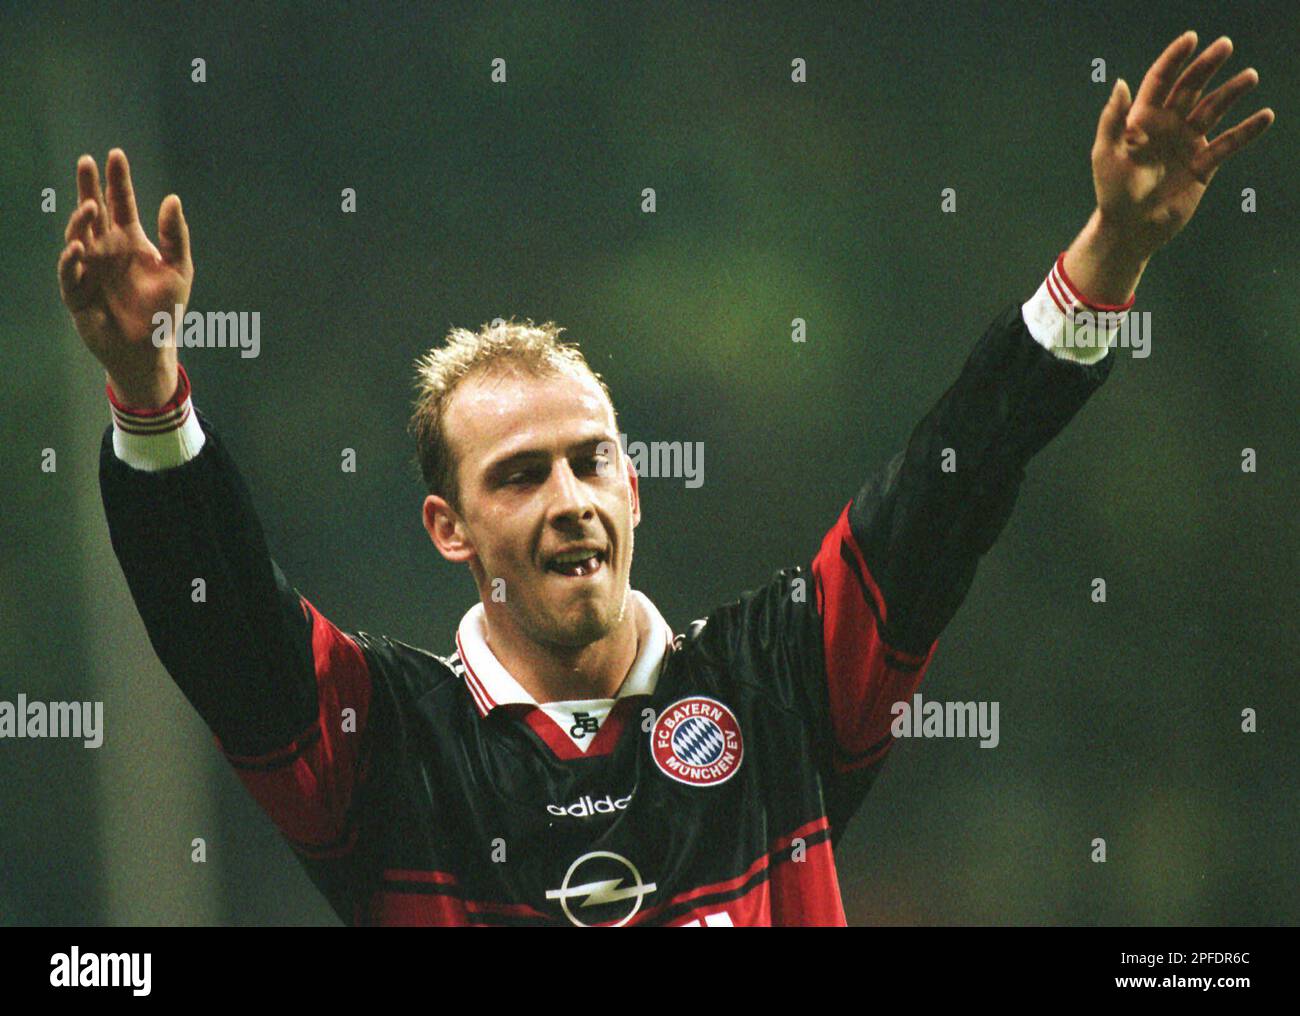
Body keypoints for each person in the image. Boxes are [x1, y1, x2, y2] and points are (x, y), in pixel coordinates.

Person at [58, 32, 1273, 926]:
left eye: (591, 460)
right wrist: (146, 389)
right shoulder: (387, 746)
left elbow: (956, 479)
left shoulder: (780, 684)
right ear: (449, 527)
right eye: (519, 475)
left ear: (634, 489)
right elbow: (221, 620)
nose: (569, 497)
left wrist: (1111, 248)